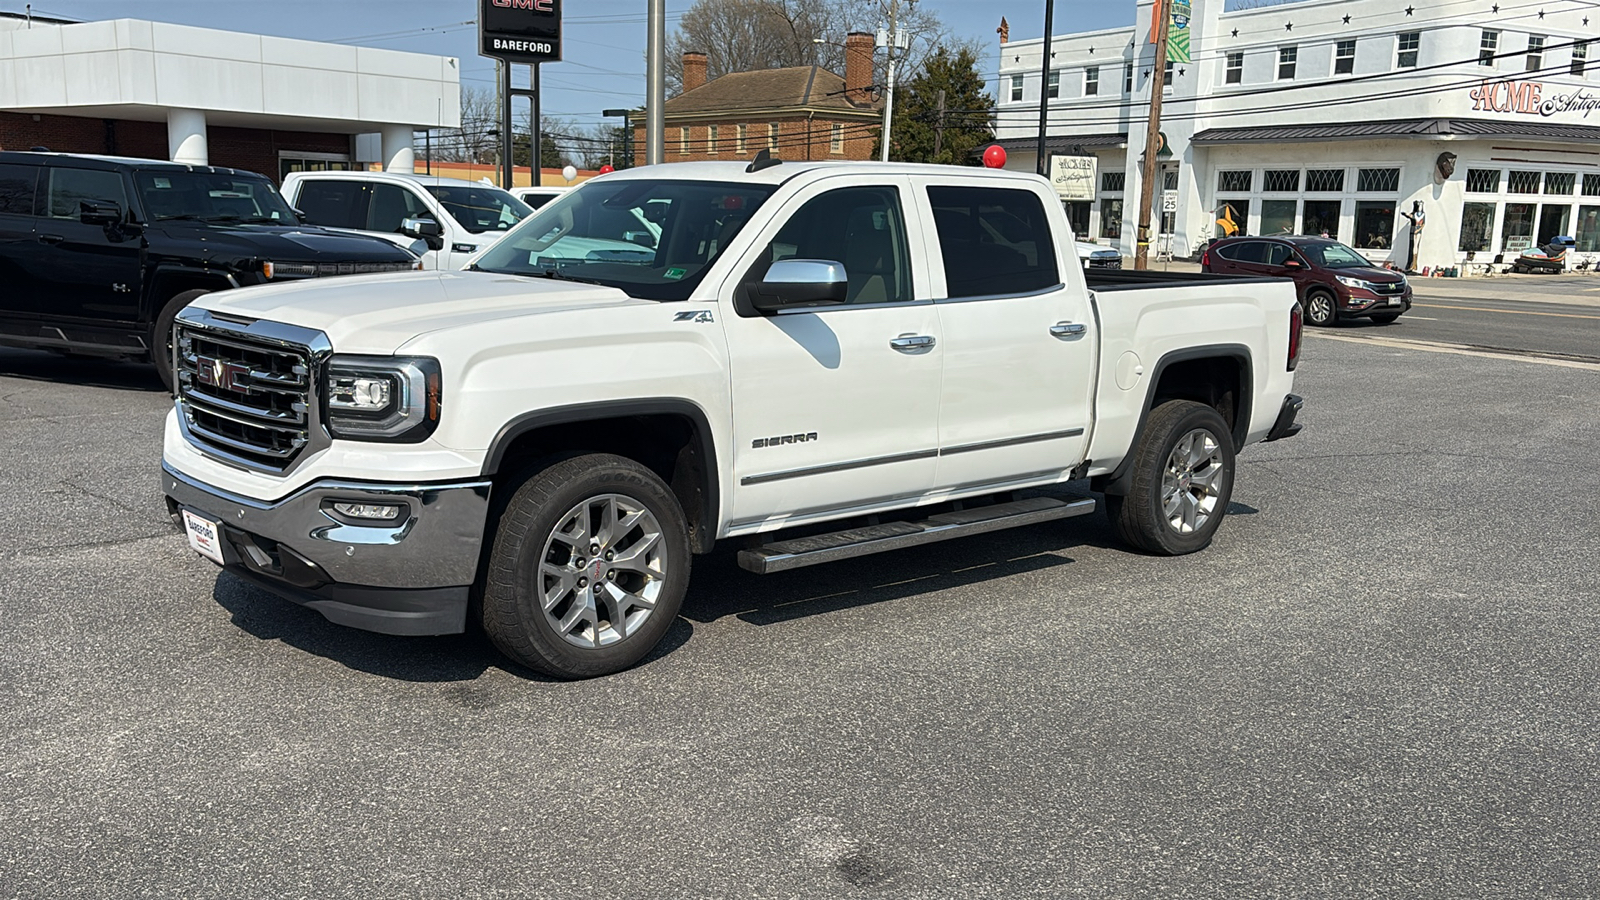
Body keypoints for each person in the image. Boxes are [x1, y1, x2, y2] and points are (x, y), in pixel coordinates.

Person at [1400, 200, 1426, 272]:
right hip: (1412, 232)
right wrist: (1405, 214)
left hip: (1417, 232)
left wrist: (1418, 230)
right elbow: (1410, 216)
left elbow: (1423, 223)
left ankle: (1413, 264)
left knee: (1415, 247)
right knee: (1411, 247)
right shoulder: (1414, 214)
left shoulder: (1422, 215)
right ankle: (1409, 264)